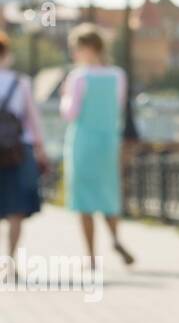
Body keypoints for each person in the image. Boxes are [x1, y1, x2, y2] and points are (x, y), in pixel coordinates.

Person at [60, 24, 134, 268]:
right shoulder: (118, 75)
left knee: (84, 200)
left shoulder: (79, 77)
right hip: (108, 142)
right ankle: (115, 238)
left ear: (88, 48)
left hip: (83, 142)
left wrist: (65, 99)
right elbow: (119, 108)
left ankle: (91, 257)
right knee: (108, 194)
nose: (74, 54)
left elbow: (71, 113)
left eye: (76, 48)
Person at [0, 31, 48, 257]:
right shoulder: (21, 83)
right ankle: (10, 259)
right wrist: (41, 150)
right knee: (15, 209)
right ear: (7, 54)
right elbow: (33, 120)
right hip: (18, 150)